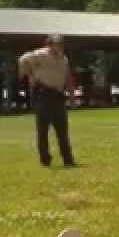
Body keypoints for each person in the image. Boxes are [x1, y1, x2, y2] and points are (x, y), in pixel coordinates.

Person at [19, 34, 77, 167]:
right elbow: (23, 61)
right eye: (58, 44)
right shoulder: (40, 55)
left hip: (58, 96)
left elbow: (67, 77)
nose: (60, 46)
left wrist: (72, 97)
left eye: (62, 44)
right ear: (49, 45)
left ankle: (68, 159)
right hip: (43, 96)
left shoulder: (64, 58)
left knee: (63, 130)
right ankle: (45, 159)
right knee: (43, 131)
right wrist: (30, 76)